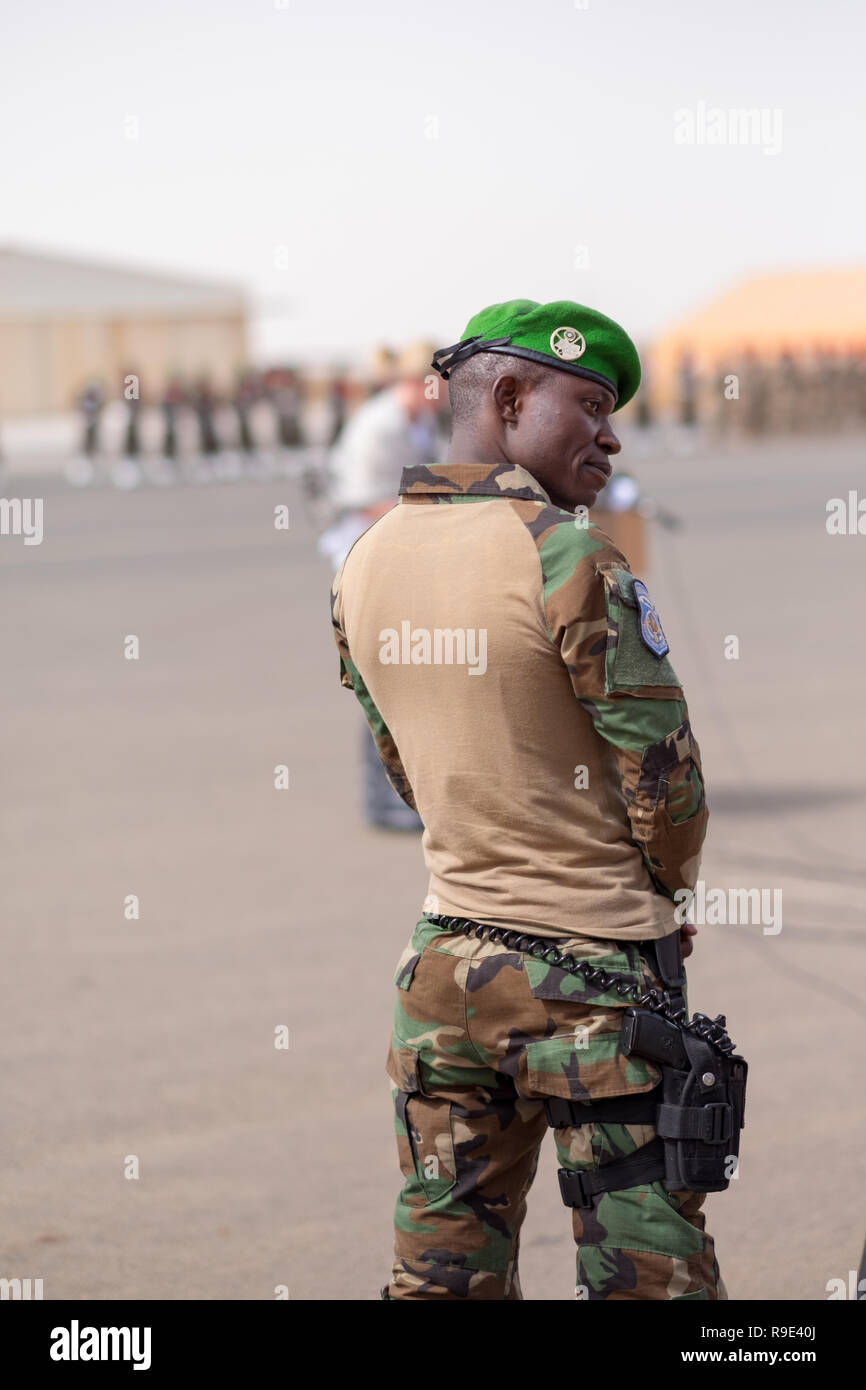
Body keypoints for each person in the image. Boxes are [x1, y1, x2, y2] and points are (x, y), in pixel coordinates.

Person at [330, 298, 728, 1300]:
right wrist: (659, 906)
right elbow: (663, 781)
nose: (610, 432)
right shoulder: (566, 555)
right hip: (591, 981)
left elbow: (404, 769)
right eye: (588, 403)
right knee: (650, 1277)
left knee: (440, 1275)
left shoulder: (363, 562)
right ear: (507, 399)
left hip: (439, 978)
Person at [323, 342, 445, 831]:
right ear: (414, 382)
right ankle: (386, 799)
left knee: (410, 677)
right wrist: (436, 510)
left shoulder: (419, 422)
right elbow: (363, 501)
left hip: (404, 558)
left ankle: (406, 792)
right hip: (367, 562)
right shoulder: (379, 426)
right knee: (382, 678)